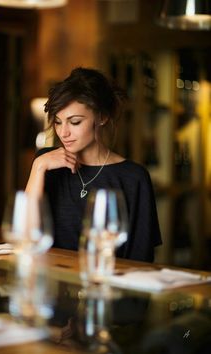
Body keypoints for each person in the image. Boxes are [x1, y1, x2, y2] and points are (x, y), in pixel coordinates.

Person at [25, 67, 162, 262]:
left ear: (102, 117)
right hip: (51, 284)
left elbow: (141, 260)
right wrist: (38, 167)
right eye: (57, 122)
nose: (63, 133)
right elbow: (27, 237)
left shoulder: (134, 177)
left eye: (75, 122)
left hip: (107, 285)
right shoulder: (47, 163)